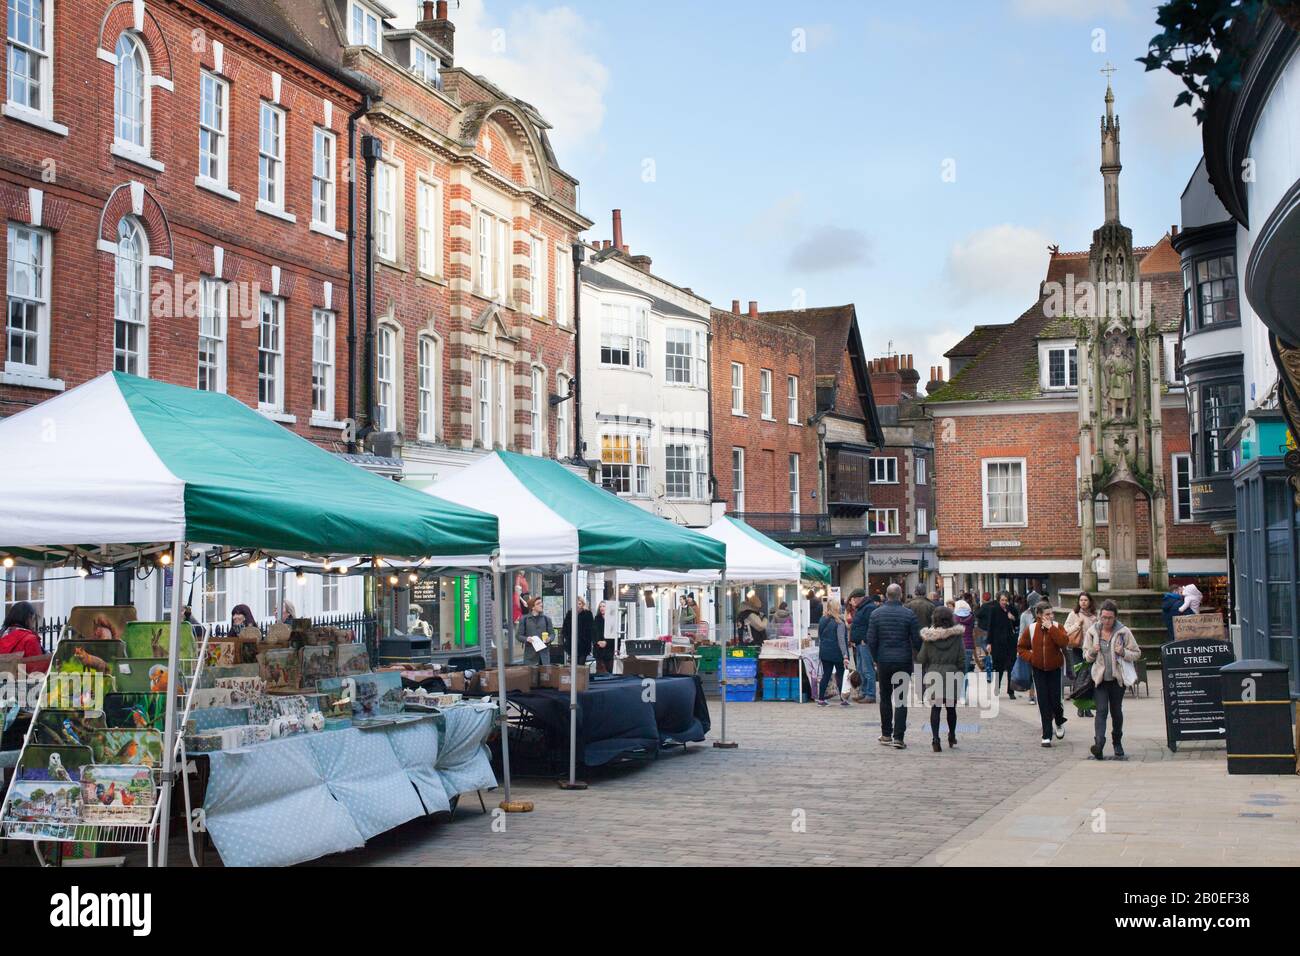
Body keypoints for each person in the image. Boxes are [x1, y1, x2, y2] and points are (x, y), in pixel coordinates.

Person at [1082, 599, 1142, 760]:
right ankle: (1099, 744)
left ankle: (1117, 742)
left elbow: (1137, 653)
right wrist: (1092, 652)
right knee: (1101, 711)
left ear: (1115, 617)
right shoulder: (1092, 631)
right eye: (1103, 617)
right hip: (1099, 679)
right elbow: (1086, 656)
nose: (1106, 621)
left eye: (1109, 618)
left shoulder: (1124, 632)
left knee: (1116, 711)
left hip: (1117, 680)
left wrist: (1123, 652)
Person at [866, 583, 922, 749]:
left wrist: (876, 658)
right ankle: (898, 737)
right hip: (903, 660)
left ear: (886, 595)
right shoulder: (909, 614)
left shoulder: (876, 614)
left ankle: (885, 734)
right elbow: (917, 640)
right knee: (900, 699)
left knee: (884, 697)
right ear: (900, 595)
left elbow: (871, 640)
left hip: (884, 660)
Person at [1018, 600, 1070, 747]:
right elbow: (1021, 647)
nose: (1050, 616)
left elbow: (1064, 642)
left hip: (1054, 669)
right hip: (1038, 669)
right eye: (1047, 614)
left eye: (1051, 613)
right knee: (1043, 701)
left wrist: (1051, 628)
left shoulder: (1057, 626)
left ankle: (1059, 721)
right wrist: (1032, 657)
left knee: (1055, 700)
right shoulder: (1032, 628)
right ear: (1039, 615)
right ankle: (1046, 734)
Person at [918, 605, 964, 752]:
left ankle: (935, 739)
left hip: (934, 675)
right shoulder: (957, 637)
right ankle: (951, 734)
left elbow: (921, 658)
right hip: (952, 674)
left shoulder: (929, 638)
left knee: (936, 708)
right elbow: (962, 659)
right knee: (951, 708)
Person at [978, 591, 1021, 699]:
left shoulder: (1012, 609)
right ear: (998, 600)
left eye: (1006, 600)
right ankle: (996, 689)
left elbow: (1017, 623)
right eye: (1002, 600)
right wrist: (989, 642)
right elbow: (990, 627)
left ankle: (1011, 691)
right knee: (998, 667)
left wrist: (1013, 618)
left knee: (1011, 666)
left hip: (1010, 642)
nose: (1004, 602)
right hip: (997, 643)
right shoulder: (994, 610)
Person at [1064, 591, 1097, 717]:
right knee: (1079, 677)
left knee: (1089, 678)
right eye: (1081, 600)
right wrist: (1077, 626)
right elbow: (1066, 629)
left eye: (1085, 600)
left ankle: (1087, 707)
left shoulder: (1094, 616)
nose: (1083, 602)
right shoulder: (1074, 614)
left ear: (1090, 602)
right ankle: (1079, 706)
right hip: (1077, 649)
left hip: (1090, 650)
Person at [816, 598, 850, 708]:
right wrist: (845, 655)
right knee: (840, 675)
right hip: (836, 653)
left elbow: (820, 637)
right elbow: (841, 640)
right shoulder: (839, 622)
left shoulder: (822, 620)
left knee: (826, 674)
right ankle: (843, 699)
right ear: (837, 608)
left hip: (825, 651)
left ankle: (821, 699)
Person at [0, 601, 48, 673]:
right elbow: (38, 670)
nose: (33, 623)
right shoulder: (30, 639)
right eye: (33, 619)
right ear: (29, 618)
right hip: (23, 682)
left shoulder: (2, 636)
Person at [847, 588, 876, 703]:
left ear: (859, 598)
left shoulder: (868, 608)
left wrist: (865, 639)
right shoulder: (862, 608)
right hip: (859, 643)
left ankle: (870, 694)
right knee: (861, 669)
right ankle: (864, 692)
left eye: (853, 599)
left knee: (867, 669)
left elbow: (871, 626)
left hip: (864, 643)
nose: (852, 601)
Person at [515, 596, 554, 665]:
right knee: (531, 676)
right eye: (538, 603)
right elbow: (518, 636)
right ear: (532, 607)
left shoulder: (547, 619)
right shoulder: (524, 619)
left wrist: (549, 638)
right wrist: (527, 639)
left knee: (545, 675)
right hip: (530, 658)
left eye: (541, 603)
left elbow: (552, 634)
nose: (541, 605)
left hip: (544, 657)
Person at [953, 599, 977, 704]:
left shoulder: (954, 618)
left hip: (956, 646)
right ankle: (962, 695)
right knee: (966, 671)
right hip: (968, 646)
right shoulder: (971, 617)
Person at [562, 597, 594, 666]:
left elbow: (591, 629)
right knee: (573, 664)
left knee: (581, 665)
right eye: (576, 604)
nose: (577, 606)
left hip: (584, 645)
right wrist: (568, 638)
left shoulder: (588, 614)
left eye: (579, 604)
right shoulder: (570, 614)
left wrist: (588, 640)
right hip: (572, 644)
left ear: (582, 604)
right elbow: (565, 628)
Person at [592, 601, 614, 673]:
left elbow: (614, 635)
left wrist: (606, 642)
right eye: (600, 606)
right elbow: (594, 633)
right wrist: (597, 642)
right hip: (599, 650)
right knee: (600, 671)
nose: (602, 608)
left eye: (604, 606)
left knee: (610, 669)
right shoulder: (597, 619)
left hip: (609, 650)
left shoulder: (612, 619)